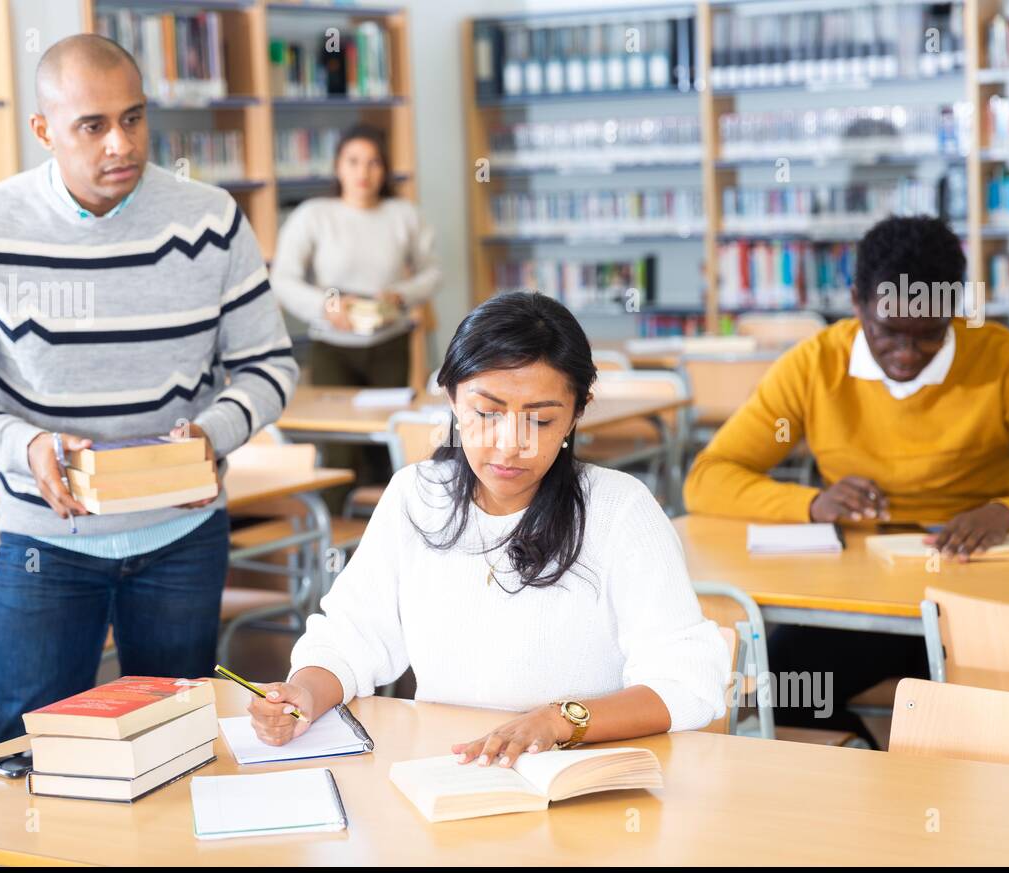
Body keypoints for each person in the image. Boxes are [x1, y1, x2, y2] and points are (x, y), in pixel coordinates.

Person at [0, 35, 298, 744]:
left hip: (182, 535)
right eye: (92, 126)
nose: (121, 143)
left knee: (176, 739)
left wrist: (214, 432)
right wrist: (22, 444)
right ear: (45, 131)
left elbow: (270, 364)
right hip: (46, 540)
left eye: (135, 117)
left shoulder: (211, 220)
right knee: (23, 743)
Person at [246, 292, 731, 765]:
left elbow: (687, 682)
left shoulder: (619, 509)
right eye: (486, 413)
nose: (509, 444)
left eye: (540, 421)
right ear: (452, 398)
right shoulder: (416, 495)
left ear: (576, 415)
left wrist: (559, 721)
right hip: (451, 770)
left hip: (578, 775)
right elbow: (350, 638)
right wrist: (303, 695)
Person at [684, 215, 1009, 741]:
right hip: (855, 601)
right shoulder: (815, 365)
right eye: (888, 332)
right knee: (778, 689)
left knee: (1002, 720)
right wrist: (812, 504)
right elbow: (708, 478)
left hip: (977, 598)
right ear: (856, 303)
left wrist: (1006, 512)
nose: (907, 355)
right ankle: (867, 775)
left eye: (930, 335)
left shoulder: (1008, 364)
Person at [271, 124, 441, 506]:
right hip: (333, 346)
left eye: (373, 163)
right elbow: (282, 278)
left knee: (388, 444)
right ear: (338, 167)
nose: (363, 172)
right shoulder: (315, 215)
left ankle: (388, 532)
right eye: (353, 162)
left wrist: (401, 295)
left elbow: (433, 272)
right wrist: (327, 304)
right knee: (339, 451)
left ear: (384, 170)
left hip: (388, 342)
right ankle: (336, 538)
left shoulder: (404, 215)